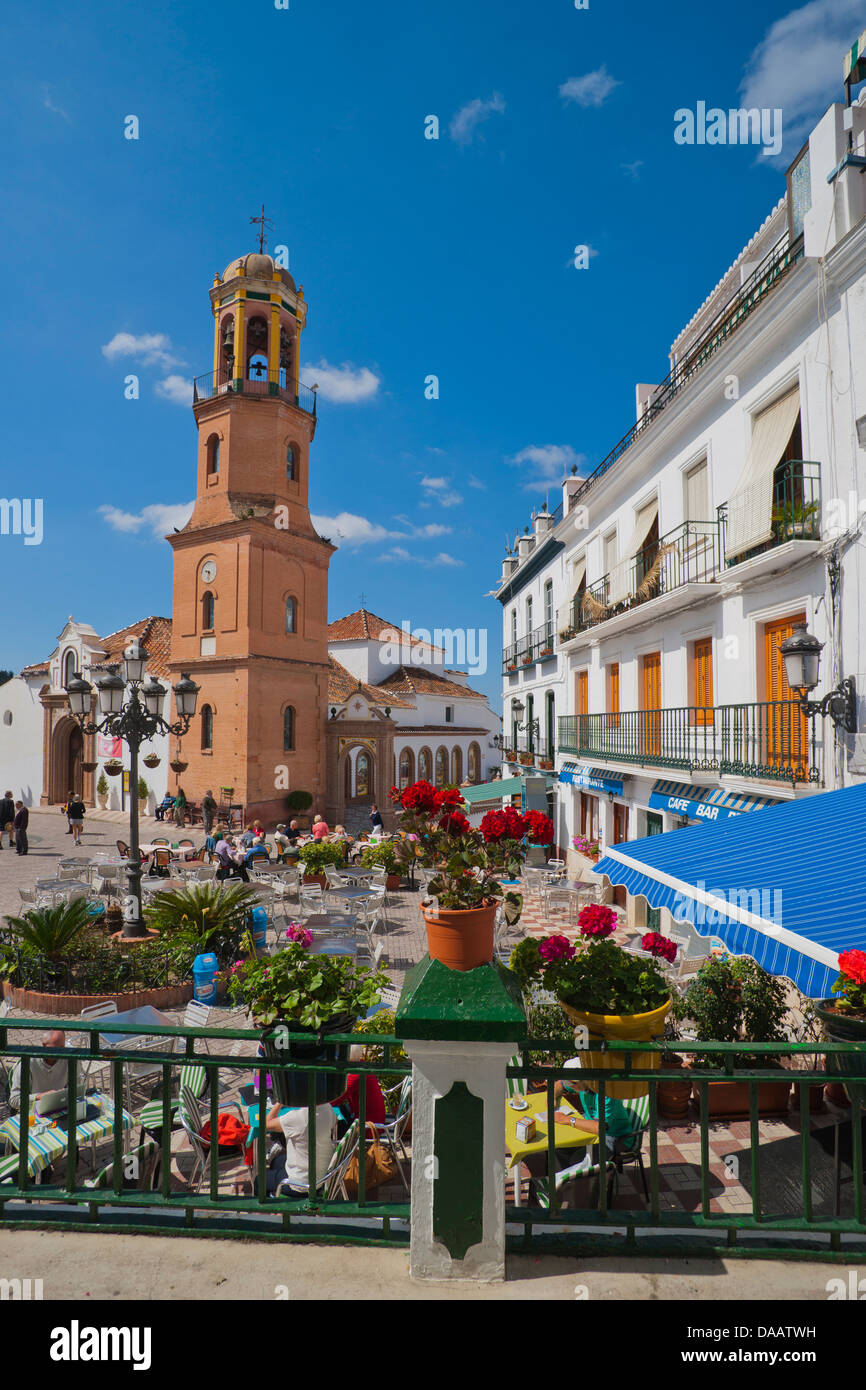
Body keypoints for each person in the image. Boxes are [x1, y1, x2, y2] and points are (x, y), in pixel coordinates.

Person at [262, 1099, 337, 1197]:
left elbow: (266, 1124)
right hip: (324, 1173)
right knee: (276, 1161)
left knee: (258, 1181)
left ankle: (265, 1208)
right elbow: (334, 1122)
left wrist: (280, 1101)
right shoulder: (327, 1107)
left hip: (301, 1183)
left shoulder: (297, 1117)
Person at [9, 1030, 66, 1111]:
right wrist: (39, 1097)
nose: (61, 1053)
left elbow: (78, 1088)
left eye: (62, 1048)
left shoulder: (70, 1058)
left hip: (61, 1109)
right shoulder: (27, 1064)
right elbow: (14, 1100)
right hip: (34, 1112)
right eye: (56, 1049)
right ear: (44, 1046)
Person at [333, 1046, 386, 1126]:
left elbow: (337, 1099)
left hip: (367, 1127)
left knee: (329, 1113)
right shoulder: (362, 1065)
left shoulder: (356, 1075)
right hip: (376, 1120)